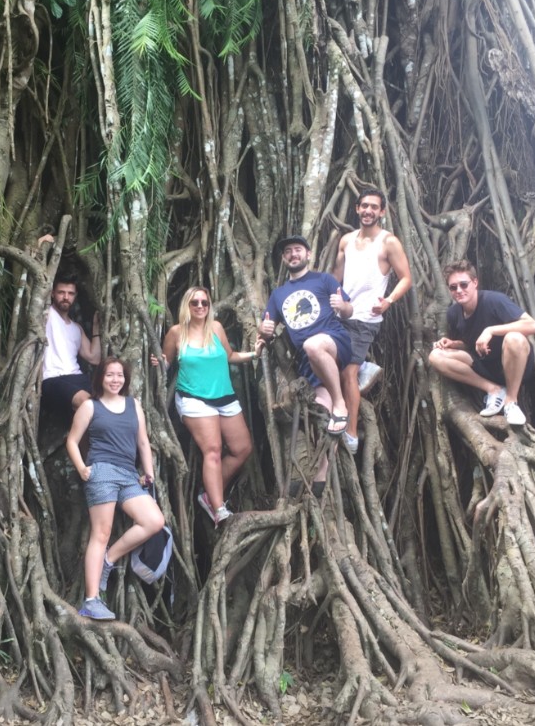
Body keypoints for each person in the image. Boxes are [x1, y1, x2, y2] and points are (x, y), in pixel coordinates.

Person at [66, 357, 165, 621]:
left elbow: (143, 442)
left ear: (125, 379)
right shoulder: (90, 406)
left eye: (119, 375)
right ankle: (91, 600)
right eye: (109, 375)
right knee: (102, 532)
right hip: (102, 472)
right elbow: (73, 441)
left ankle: (108, 561)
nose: (115, 380)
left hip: (129, 475)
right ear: (100, 378)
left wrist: (149, 473)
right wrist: (81, 468)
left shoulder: (134, 405)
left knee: (154, 520)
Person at [155, 286, 255, 525]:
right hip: (193, 398)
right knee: (213, 450)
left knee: (242, 449)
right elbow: (166, 364)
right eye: (195, 303)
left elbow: (230, 356)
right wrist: (158, 363)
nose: (200, 307)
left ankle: (209, 495)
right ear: (186, 306)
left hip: (224, 396)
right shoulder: (176, 333)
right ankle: (219, 509)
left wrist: (255, 353)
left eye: (204, 303)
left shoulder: (216, 329)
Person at [332, 189, 412, 453]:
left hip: (365, 318)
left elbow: (406, 278)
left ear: (382, 212)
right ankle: (364, 365)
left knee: (347, 374)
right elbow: (337, 278)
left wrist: (388, 301)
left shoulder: (388, 242)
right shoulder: (346, 241)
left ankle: (351, 431)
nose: (368, 211)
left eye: (374, 207)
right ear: (356, 209)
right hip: (342, 314)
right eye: (364, 205)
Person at [257, 235, 352, 438]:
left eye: (298, 249)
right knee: (321, 426)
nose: (293, 254)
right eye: (288, 251)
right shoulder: (278, 294)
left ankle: (340, 403)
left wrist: (343, 306)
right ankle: (325, 466)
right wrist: (263, 330)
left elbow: (348, 311)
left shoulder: (323, 279)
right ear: (284, 258)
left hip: (334, 341)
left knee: (313, 345)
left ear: (308, 254)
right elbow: (267, 328)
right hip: (308, 363)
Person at [428, 260, 535, 426]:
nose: (459, 290)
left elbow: (532, 325)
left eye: (463, 285)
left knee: (514, 338)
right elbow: (469, 346)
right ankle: (494, 390)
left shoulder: (494, 301)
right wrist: (453, 344)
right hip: (484, 367)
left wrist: (491, 331)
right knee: (435, 356)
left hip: (513, 366)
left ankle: (511, 402)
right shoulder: (453, 313)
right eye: (453, 287)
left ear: (475, 282)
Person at [42, 274, 101, 416]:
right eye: (61, 292)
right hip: (53, 379)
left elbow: (94, 358)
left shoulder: (77, 328)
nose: (66, 297)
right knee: (87, 404)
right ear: (52, 293)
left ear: (75, 296)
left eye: (70, 293)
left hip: (77, 377)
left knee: (107, 403)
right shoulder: (46, 315)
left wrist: (96, 327)